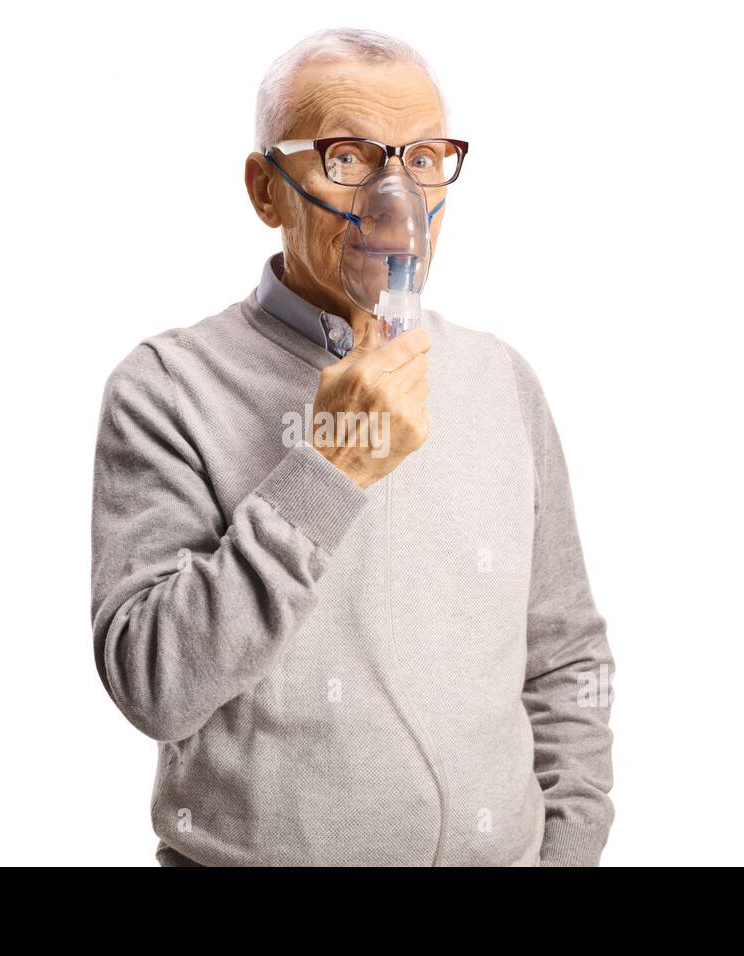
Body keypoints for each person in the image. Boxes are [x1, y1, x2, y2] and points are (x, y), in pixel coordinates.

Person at [91, 27, 615, 866]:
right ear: (267, 188)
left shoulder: (499, 379)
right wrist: (330, 464)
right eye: (349, 157)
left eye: (426, 157)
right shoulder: (168, 386)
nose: (396, 198)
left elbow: (565, 656)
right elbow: (153, 681)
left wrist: (568, 851)